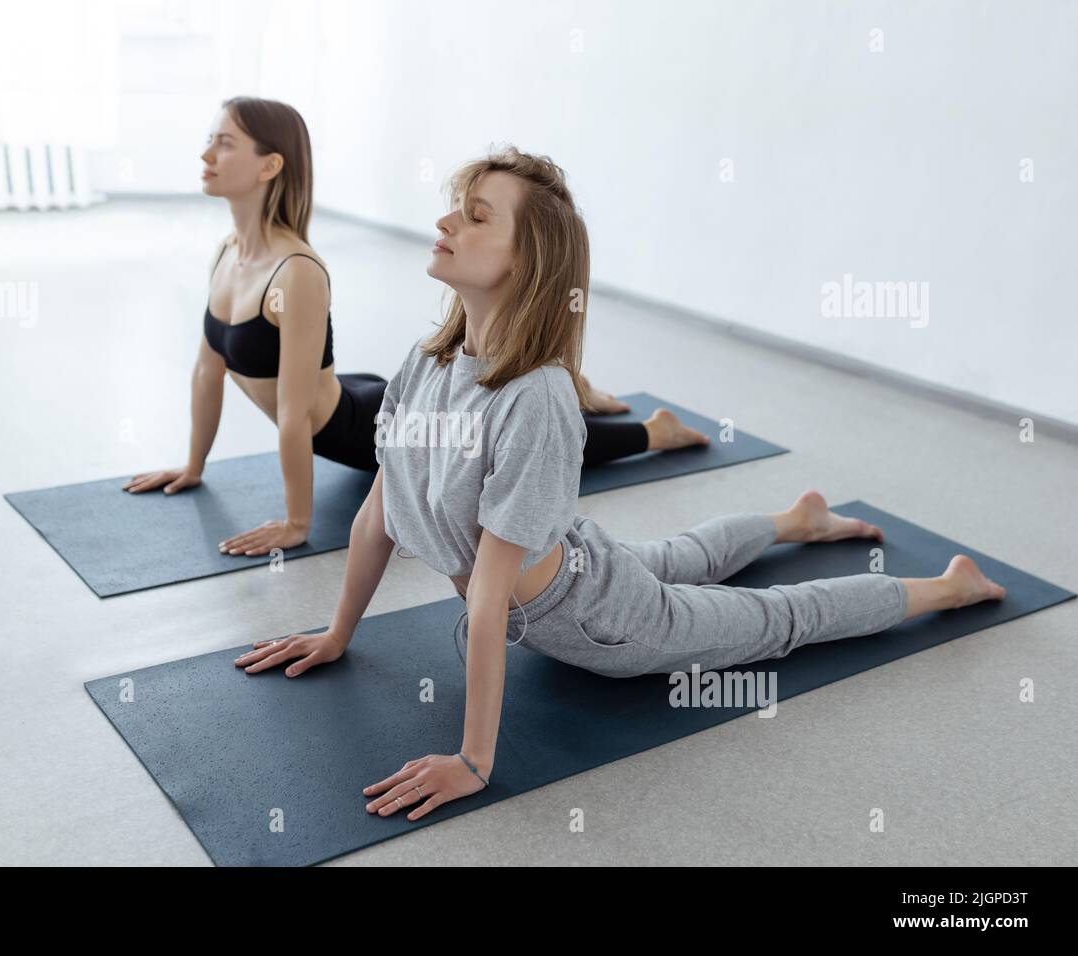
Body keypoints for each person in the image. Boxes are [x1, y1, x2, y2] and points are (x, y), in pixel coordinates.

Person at [231, 145, 1007, 823]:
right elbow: (378, 512)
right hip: (575, 560)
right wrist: (338, 634)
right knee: (677, 553)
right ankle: (795, 518)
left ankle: (947, 587)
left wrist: (473, 762)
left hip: (605, 623)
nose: (447, 225)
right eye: (452, 211)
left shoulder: (535, 398)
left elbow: (491, 595)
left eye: (474, 218)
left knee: (776, 619)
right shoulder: (424, 362)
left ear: (525, 261)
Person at [124, 97, 709, 558]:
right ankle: (583, 389)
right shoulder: (228, 251)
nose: (206, 153)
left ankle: (653, 431)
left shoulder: (296, 273)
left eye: (223, 143)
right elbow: (208, 367)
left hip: (345, 426)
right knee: (482, 407)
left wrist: (297, 523)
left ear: (270, 165)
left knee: (510, 442)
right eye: (210, 140)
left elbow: (297, 415)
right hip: (351, 387)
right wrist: (193, 466)